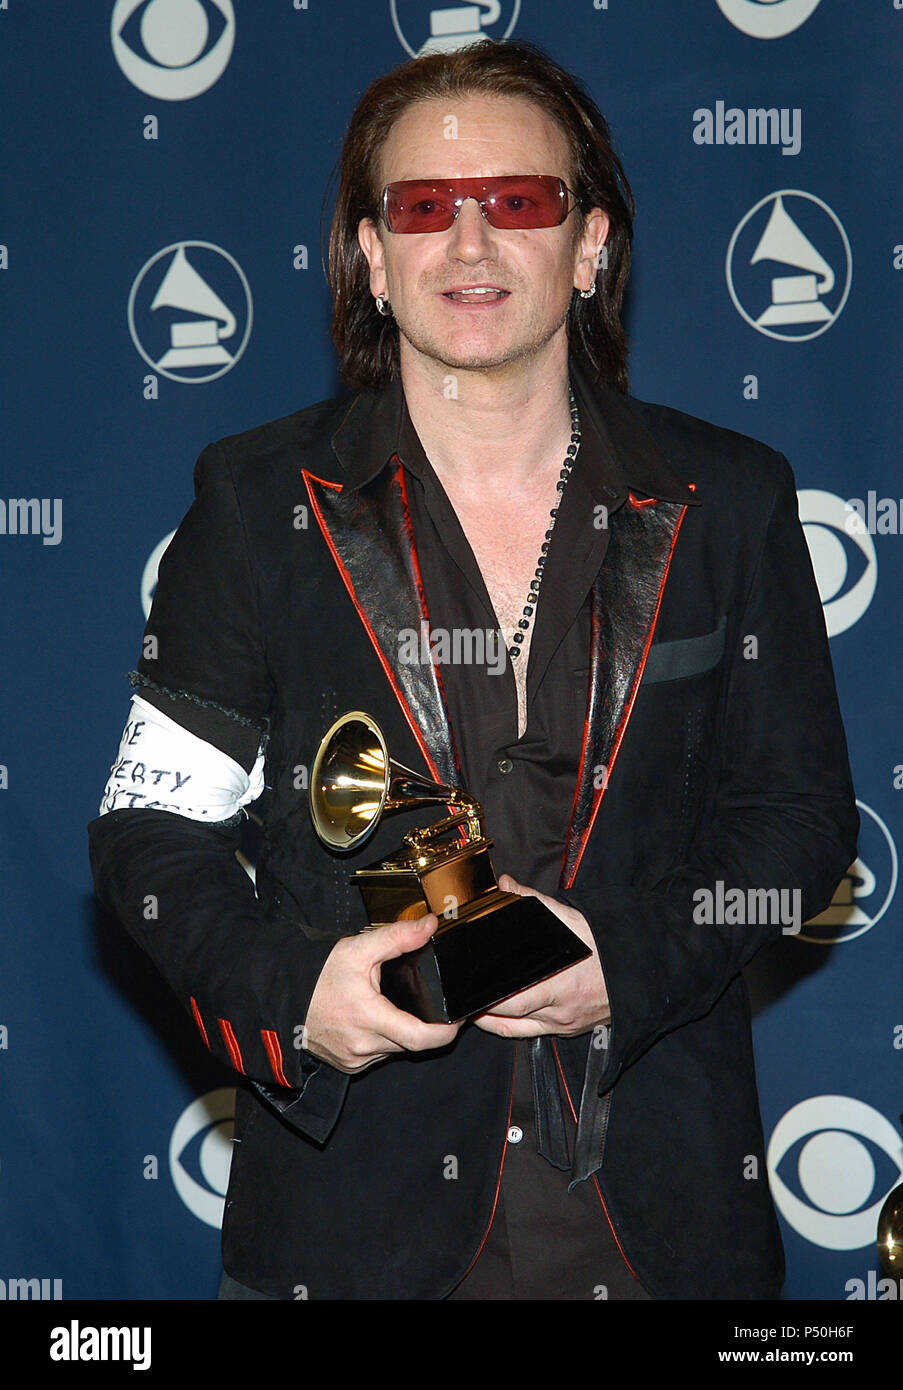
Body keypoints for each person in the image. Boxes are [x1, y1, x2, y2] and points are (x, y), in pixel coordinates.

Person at [88, 39, 858, 1301]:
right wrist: (293, 993)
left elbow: (799, 820)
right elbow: (150, 825)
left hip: (658, 1225)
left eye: (519, 201)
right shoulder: (252, 499)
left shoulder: (731, 498)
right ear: (372, 257)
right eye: (423, 207)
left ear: (592, 242)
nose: (470, 242)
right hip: (345, 1236)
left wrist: (633, 960)